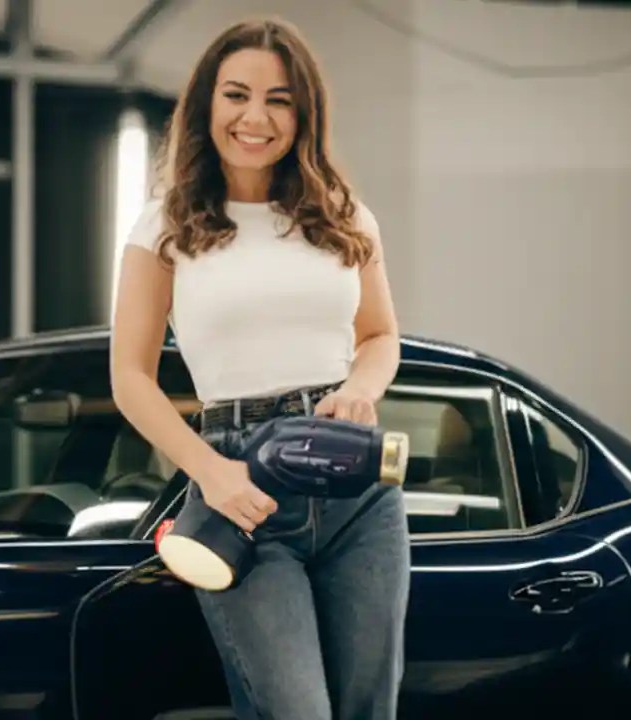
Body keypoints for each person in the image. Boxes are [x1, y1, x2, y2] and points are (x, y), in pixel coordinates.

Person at [110, 16, 408, 720]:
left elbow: (381, 335)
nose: (255, 117)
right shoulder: (163, 227)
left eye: (279, 99)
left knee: (370, 709)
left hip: (355, 489)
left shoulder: (346, 217)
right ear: (206, 106)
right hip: (236, 488)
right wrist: (208, 473)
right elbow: (130, 376)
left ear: (303, 114)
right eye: (236, 94)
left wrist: (362, 390)